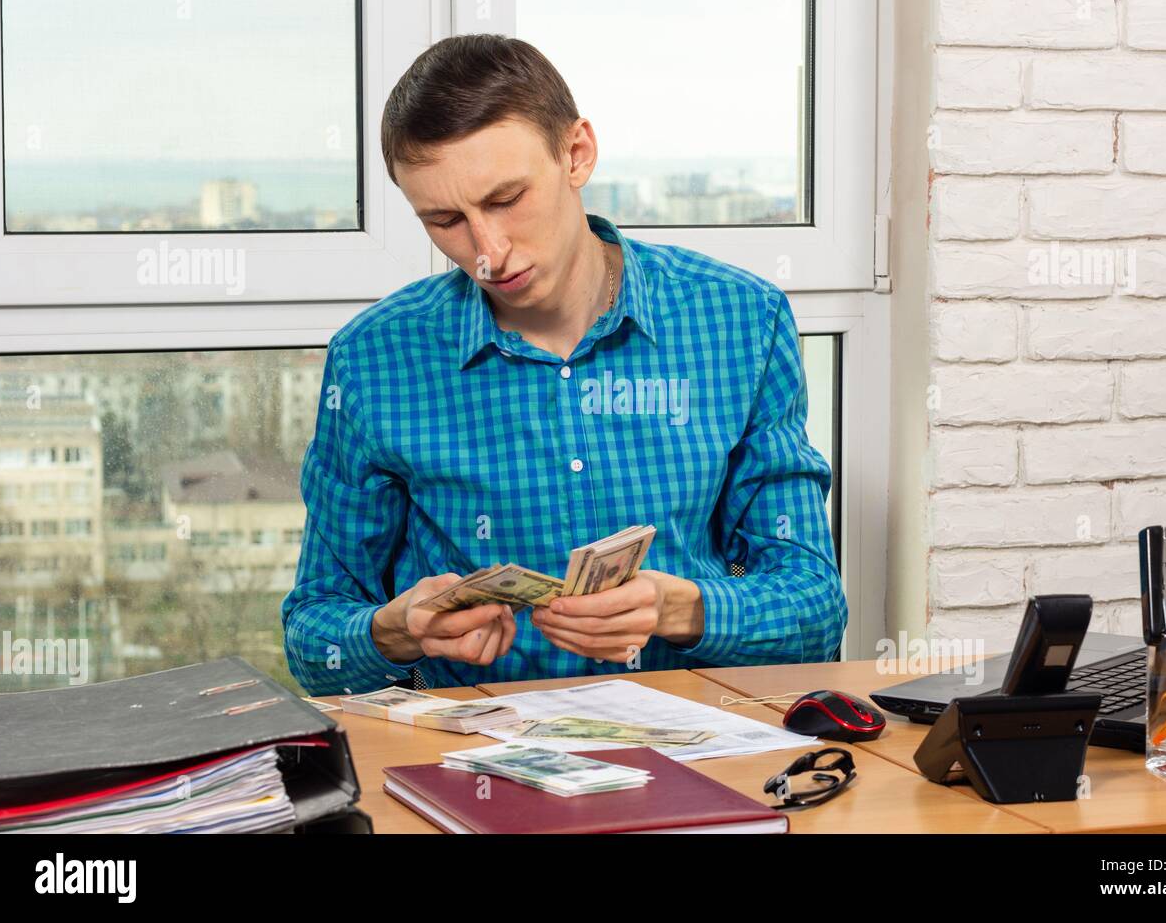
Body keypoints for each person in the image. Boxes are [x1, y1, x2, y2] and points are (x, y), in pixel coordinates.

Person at [281, 34, 846, 695]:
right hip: (465, 761)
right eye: (444, 220)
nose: (488, 250)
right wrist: (394, 630)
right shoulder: (375, 357)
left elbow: (816, 610)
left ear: (576, 154)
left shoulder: (742, 320)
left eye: (505, 199)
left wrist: (682, 611)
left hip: (694, 755)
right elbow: (312, 635)